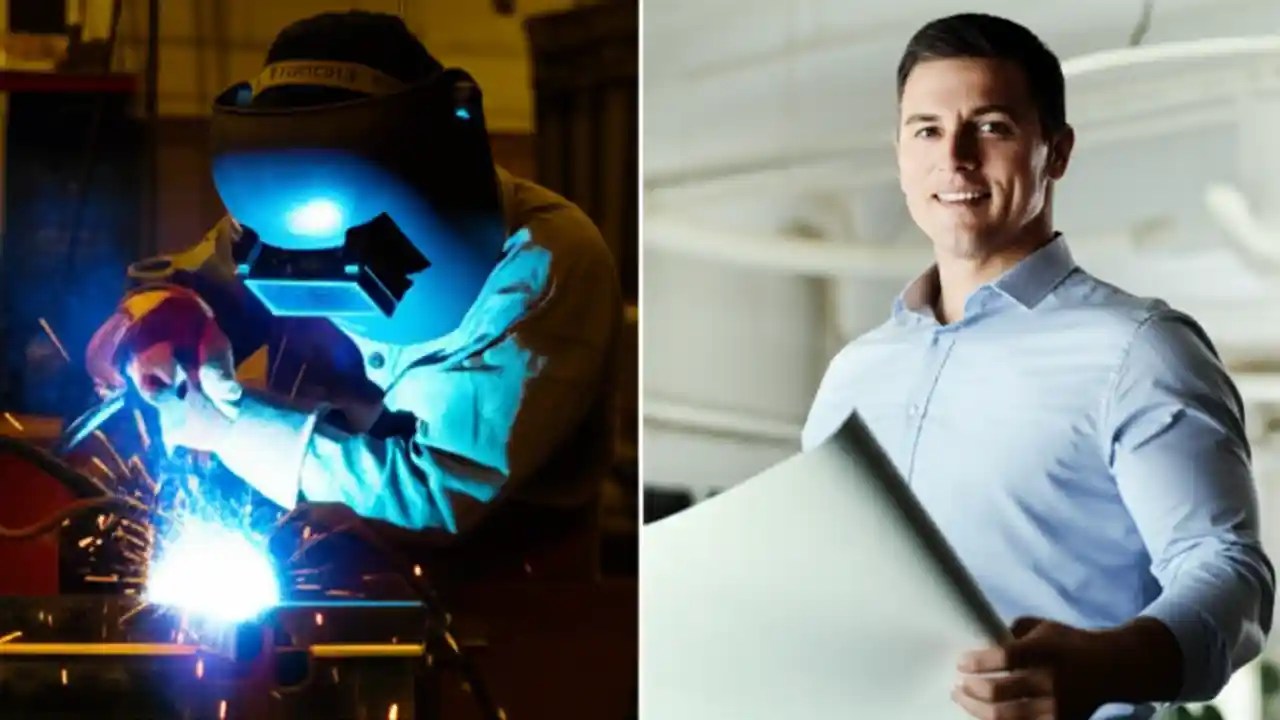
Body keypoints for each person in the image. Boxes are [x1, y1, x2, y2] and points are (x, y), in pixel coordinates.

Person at [801, 13, 1274, 720]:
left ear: (1056, 151)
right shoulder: (852, 374)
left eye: (990, 127)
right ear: (899, 152)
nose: (954, 158)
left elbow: (1229, 576)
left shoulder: (1138, 350)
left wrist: (1106, 665)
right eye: (926, 129)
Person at [85, 11, 622, 584]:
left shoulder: (546, 261)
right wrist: (160, 323)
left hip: (509, 609)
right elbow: (188, 289)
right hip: (321, 574)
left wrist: (232, 428)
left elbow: (436, 496)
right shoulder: (275, 213)